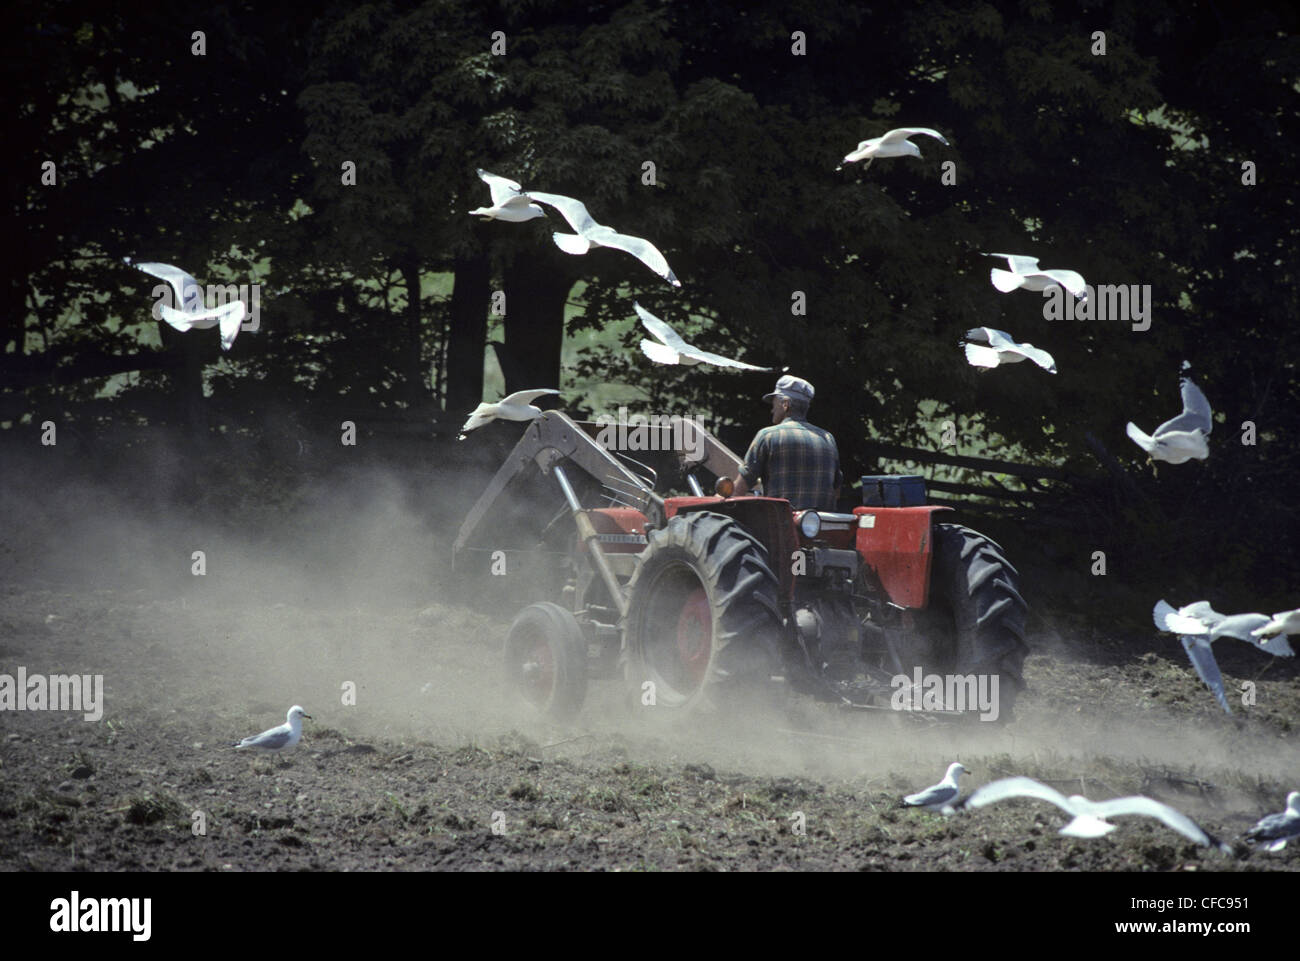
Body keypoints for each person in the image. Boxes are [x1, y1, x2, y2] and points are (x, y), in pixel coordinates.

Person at [731, 375, 842, 511]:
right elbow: (836, 492)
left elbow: (738, 490)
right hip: (820, 527)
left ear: (785, 404)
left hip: (780, 526)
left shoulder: (768, 436)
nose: (772, 410)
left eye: (774, 404)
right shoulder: (828, 438)